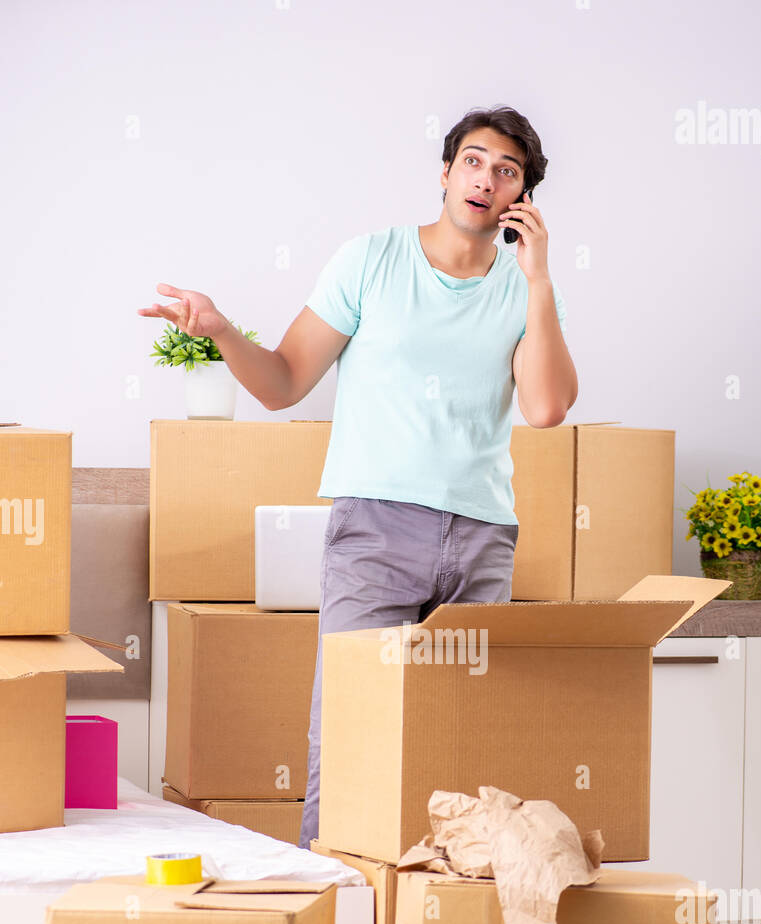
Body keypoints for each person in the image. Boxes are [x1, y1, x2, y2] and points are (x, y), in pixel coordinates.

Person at [138, 104, 578, 850]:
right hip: (377, 531)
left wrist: (537, 281)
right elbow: (281, 384)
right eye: (473, 161)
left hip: (480, 541)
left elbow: (544, 408)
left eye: (507, 172)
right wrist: (218, 331)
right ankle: (344, 914)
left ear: (521, 199)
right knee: (349, 734)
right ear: (445, 173)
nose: (486, 179)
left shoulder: (520, 289)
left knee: (466, 745)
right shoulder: (370, 260)